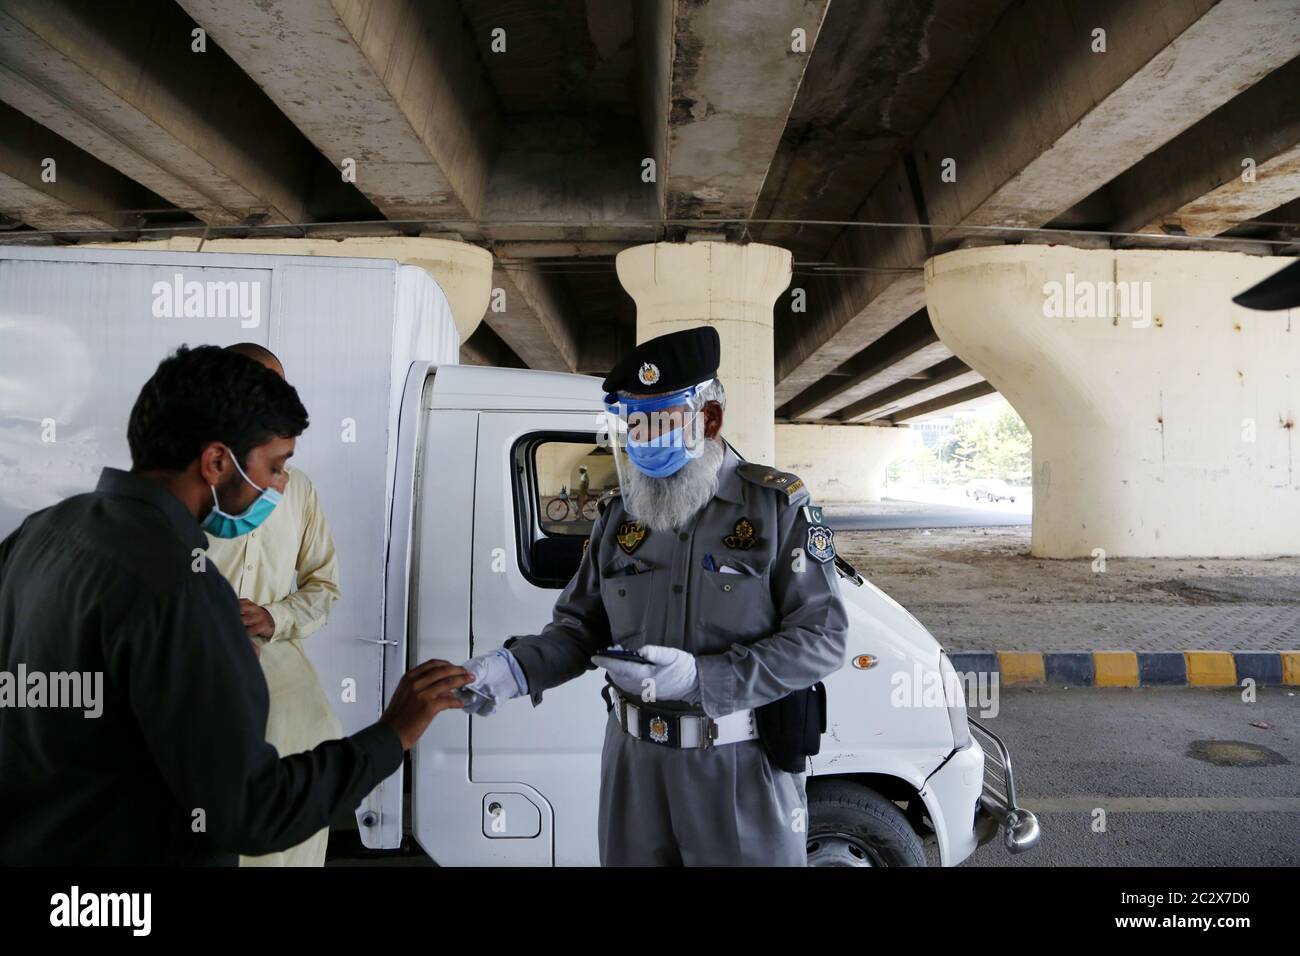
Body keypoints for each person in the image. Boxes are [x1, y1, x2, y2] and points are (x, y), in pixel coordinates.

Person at [0, 345, 471, 865]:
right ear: (218, 461)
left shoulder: (40, 533)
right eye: (274, 466)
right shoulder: (182, 588)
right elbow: (252, 811)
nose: (278, 486)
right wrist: (392, 734)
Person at [458, 326, 849, 866]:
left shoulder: (775, 509)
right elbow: (579, 627)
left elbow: (822, 638)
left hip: (737, 766)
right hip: (633, 765)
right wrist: (514, 670)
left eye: (659, 421)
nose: (642, 439)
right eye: (632, 423)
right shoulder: (620, 516)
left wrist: (701, 679)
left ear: (708, 419)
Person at [205, 343, 343, 868]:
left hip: (281, 678)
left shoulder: (300, 490)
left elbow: (323, 586)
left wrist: (274, 617)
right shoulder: (187, 479)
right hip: (196, 672)